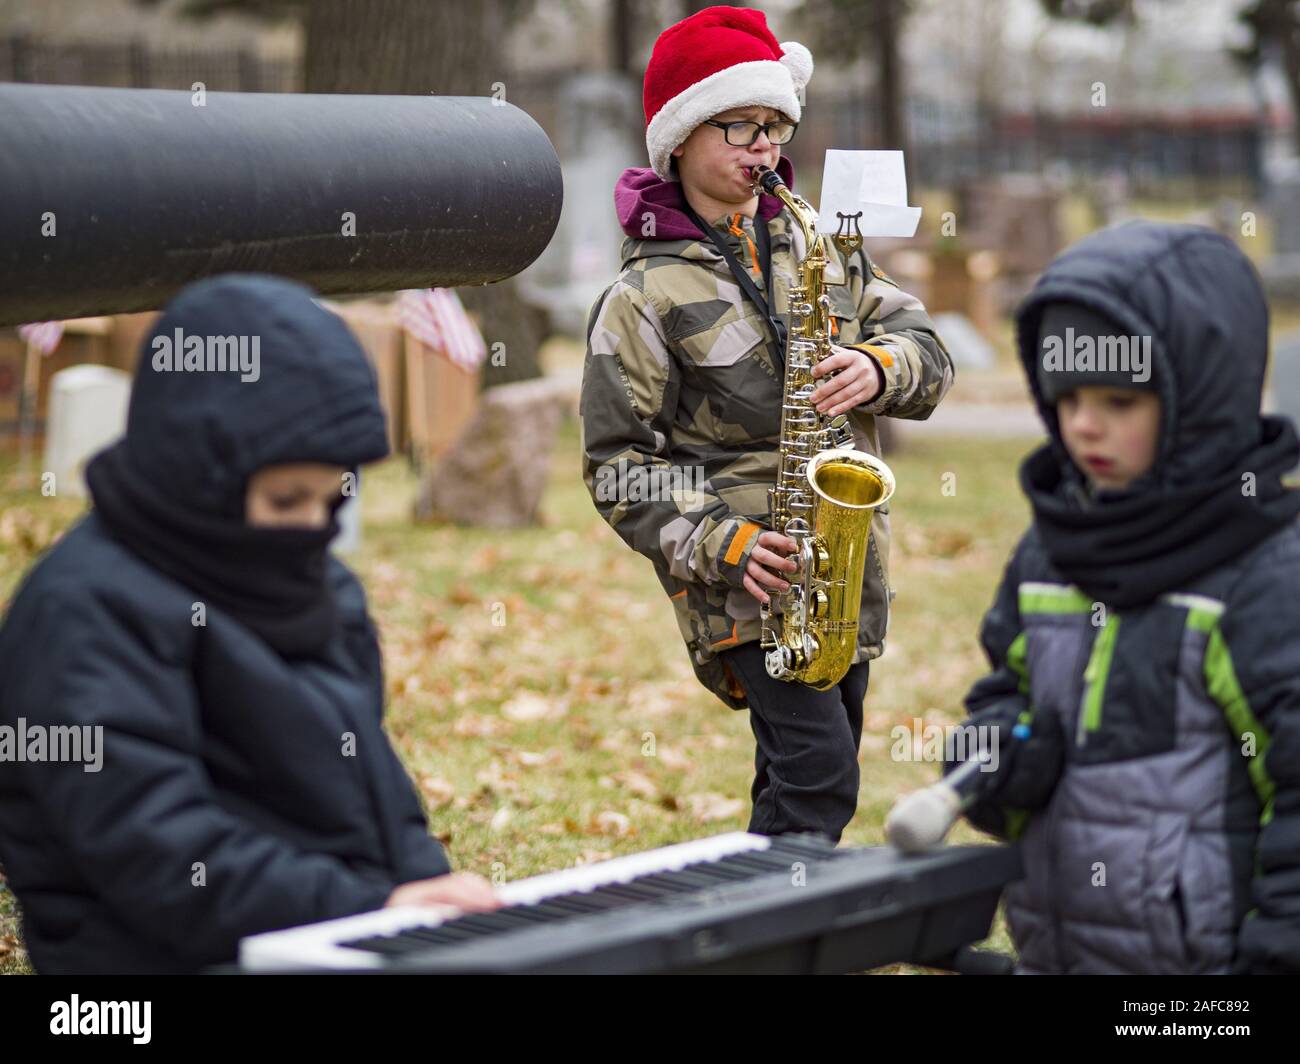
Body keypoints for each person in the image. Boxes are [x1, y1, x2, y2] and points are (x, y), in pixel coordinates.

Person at [0, 274, 497, 974]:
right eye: (288, 499)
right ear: (198, 472)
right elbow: (157, 851)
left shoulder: (309, 581)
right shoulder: (84, 610)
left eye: (333, 501)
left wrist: (427, 892)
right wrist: (367, 912)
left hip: (335, 941)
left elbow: (371, 778)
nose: (314, 529)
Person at [579, 5, 953, 843]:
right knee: (820, 776)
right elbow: (616, 464)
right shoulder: (641, 297)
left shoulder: (820, 246)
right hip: (747, 571)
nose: (764, 149)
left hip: (841, 558)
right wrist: (727, 545)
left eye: (776, 127)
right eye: (739, 127)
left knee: (802, 768)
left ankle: (754, 925)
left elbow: (928, 347)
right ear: (679, 139)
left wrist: (881, 365)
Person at [949, 220, 1300, 974]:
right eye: (1066, 395)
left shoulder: (1264, 578)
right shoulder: (1050, 551)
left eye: (1119, 399)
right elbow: (1002, 693)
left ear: (1199, 399)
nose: (1084, 425)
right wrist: (993, 759)